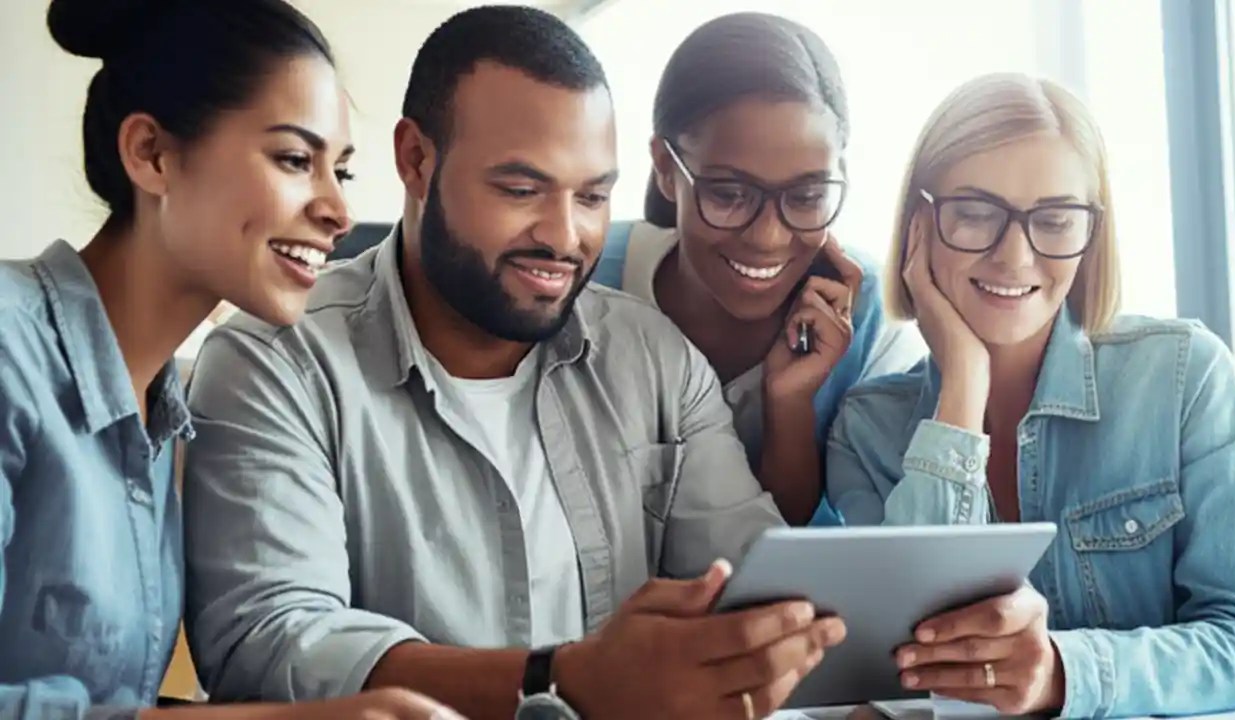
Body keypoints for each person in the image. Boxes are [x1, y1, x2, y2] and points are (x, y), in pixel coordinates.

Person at [181, 6, 845, 720]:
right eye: (521, 190)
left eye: (592, 196)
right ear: (416, 160)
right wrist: (561, 680)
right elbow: (269, 644)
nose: (564, 236)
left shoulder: (656, 360)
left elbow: (761, 596)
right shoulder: (275, 360)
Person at [0, 1, 462, 718]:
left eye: (340, 171)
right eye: (294, 160)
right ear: (151, 154)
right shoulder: (11, 352)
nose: (339, 212)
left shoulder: (159, 413)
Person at [827, 72, 1235, 718]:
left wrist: (1062, 673)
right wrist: (963, 387)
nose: (1015, 257)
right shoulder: (867, 431)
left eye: (1056, 220)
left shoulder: (1184, 377)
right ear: (919, 225)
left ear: (1091, 234)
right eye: (976, 214)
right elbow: (908, 669)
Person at [594, 12, 925, 525]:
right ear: (664, 168)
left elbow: (850, 547)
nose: (768, 237)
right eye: (729, 194)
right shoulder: (586, 281)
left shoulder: (868, 317)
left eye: (807, 196)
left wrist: (790, 407)